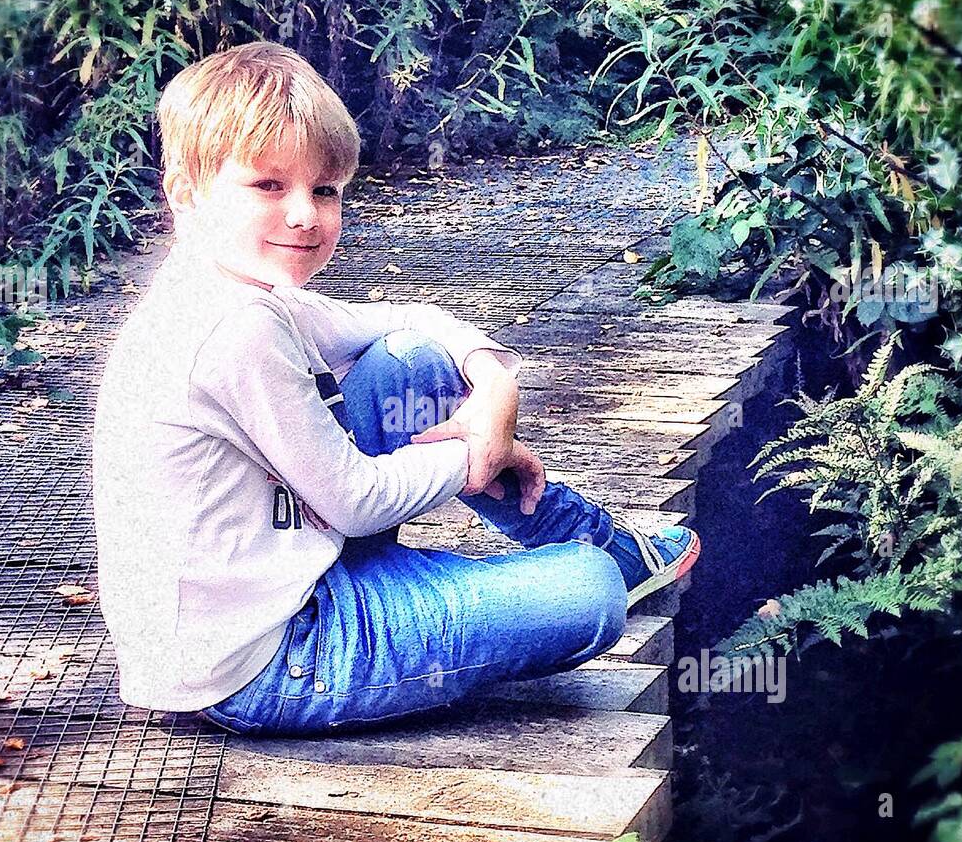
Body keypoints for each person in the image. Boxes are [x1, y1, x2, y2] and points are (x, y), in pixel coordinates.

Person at [91, 41, 700, 736]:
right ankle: (597, 560)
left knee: (411, 360)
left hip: (291, 573)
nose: (305, 216)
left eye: (324, 190)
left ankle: (589, 545)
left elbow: (412, 321)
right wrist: (476, 454)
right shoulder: (230, 329)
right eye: (268, 186)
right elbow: (354, 500)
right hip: (264, 663)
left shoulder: (239, 290)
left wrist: (494, 387)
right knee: (588, 594)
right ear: (185, 192)